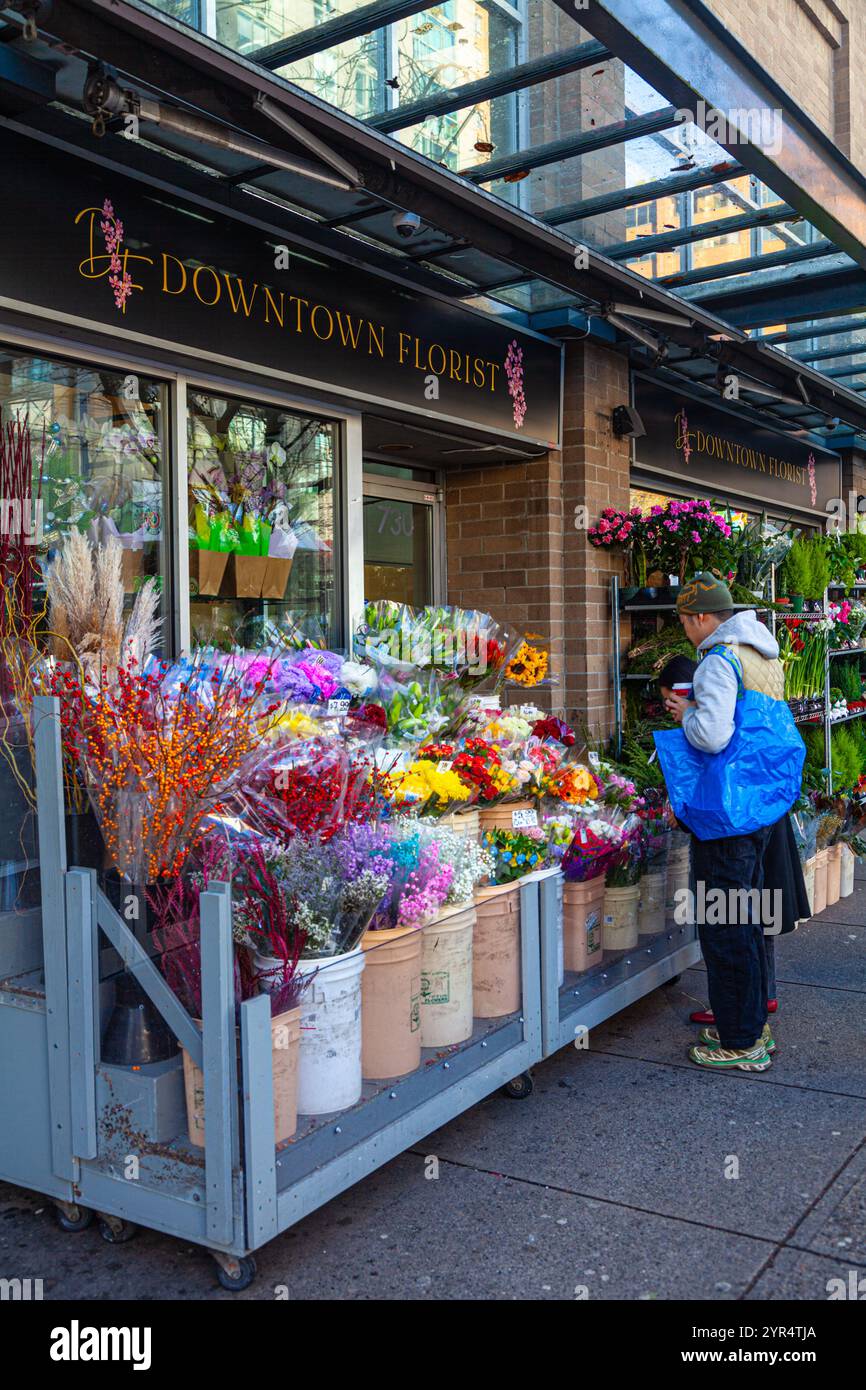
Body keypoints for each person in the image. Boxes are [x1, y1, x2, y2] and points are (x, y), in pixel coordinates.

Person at [664, 572, 787, 1073]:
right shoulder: (760, 652)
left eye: (685, 622)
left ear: (698, 617)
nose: (687, 634)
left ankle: (740, 1042)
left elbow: (712, 737)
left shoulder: (718, 661)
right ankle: (751, 1022)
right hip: (759, 807)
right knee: (749, 918)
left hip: (726, 814)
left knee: (725, 923)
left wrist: (685, 712)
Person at [657, 653, 809, 1026]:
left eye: (668, 700)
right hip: (763, 821)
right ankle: (760, 1000)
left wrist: (689, 715)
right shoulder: (730, 704)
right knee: (757, 915)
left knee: (734, 923)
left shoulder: (710, 719)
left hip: (739, 826)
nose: (667, 709)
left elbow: (712, 775)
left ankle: (740, 1019)